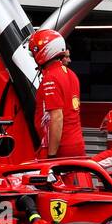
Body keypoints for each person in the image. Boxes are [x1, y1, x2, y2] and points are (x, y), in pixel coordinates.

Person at [28, 28, 83, 159]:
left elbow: (57, 117)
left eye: (34, 52)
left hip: (59, 148)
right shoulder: (71, 74)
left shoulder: (51, 78)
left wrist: (51, 155)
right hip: (75, 144)